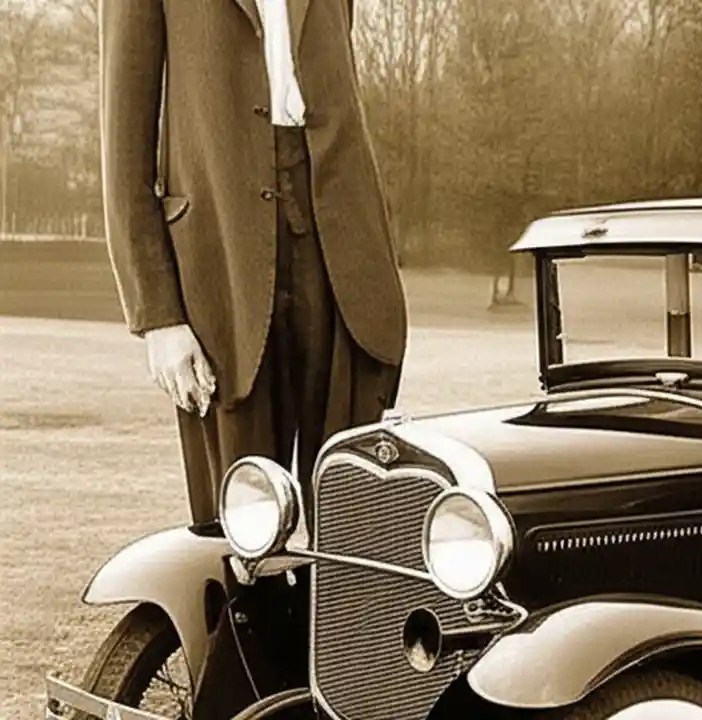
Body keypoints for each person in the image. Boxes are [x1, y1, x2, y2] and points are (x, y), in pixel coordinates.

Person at [99, 0, 407, 715]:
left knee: (357, 530)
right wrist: (159, 318)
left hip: (343, 252)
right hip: (220, 267)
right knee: (246, 535)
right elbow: (123, 140)